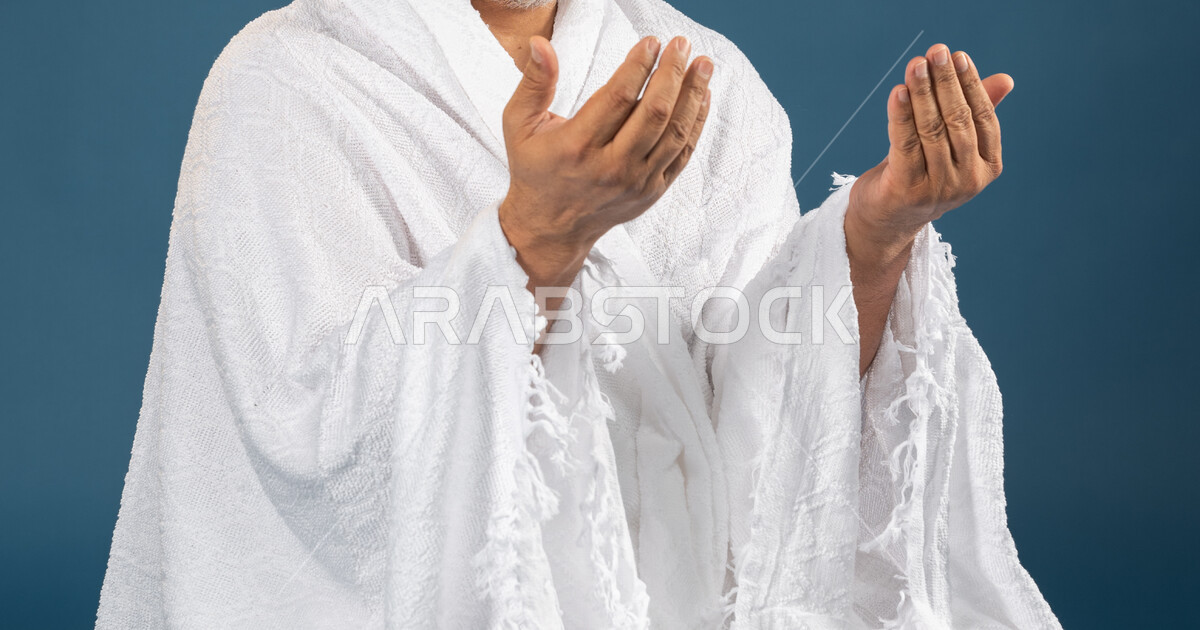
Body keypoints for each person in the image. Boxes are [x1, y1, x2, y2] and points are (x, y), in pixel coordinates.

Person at [97, 0, 1061, 627]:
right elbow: (309, 437)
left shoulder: (694, 76)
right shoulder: (286, 83)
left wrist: (875, 238)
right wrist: (532, 239)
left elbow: (761, 408)